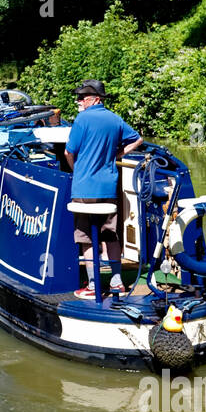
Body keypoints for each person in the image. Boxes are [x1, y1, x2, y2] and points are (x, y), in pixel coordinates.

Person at [64, 79, 142, 299]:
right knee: (110, 235)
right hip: (108, 188)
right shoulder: (115, 119)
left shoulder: (82, 119)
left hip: (84, 189)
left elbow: (69, 152)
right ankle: (117, 283)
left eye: (82, 98)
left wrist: (76, 170)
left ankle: (92, 285)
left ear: (95, 99)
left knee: (86, 237)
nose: (78, 101)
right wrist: (118, 155)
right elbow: (137, 139)